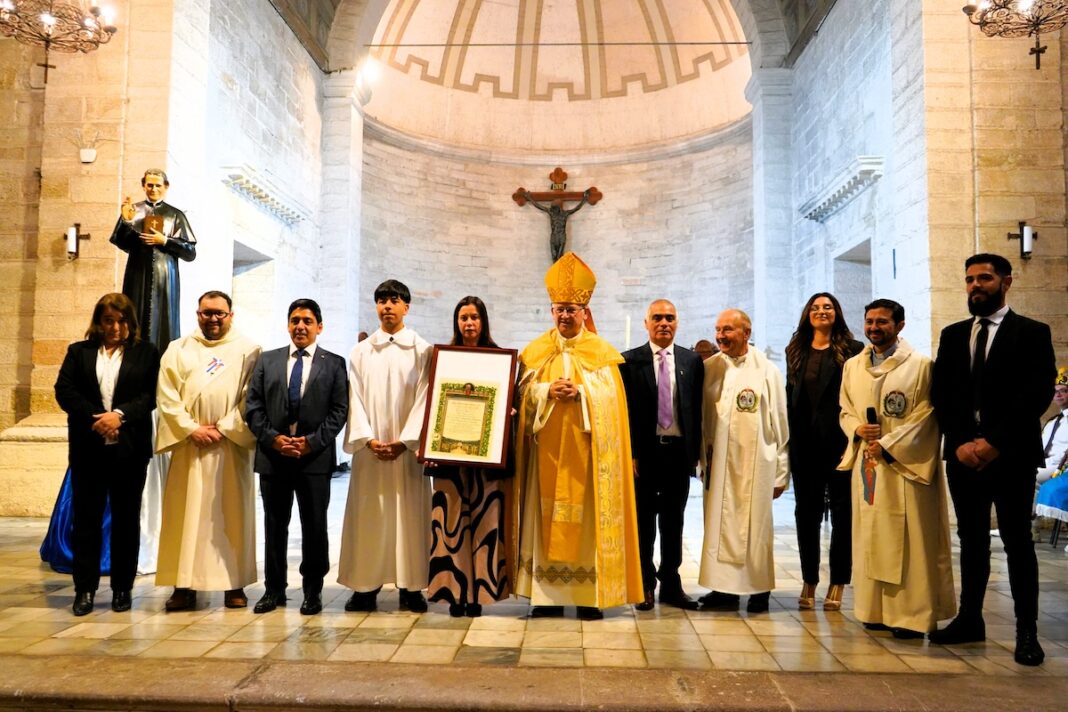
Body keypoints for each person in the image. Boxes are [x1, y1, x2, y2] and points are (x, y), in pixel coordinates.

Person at [930, 253, 1055, 667]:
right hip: (963, 456)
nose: (975, 286)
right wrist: (963, 441)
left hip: (1011, 455)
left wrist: (994, 442)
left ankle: (1026, 632)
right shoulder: (953, 335)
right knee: (971, 540)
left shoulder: (1032, 333)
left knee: (1018, 543)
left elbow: (1035, 395)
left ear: (1006, 281)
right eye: (969, 279)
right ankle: (969, 620)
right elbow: (942, 396)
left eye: (984, 278)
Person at [513, 253, 643, 620]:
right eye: (558, 309)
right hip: (546, 457)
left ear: (585, 311)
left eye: (571, 308)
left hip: (587, 461)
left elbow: (613, 407)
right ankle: (546, 597)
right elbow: (521, 398)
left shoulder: (602, 355)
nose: (565, 315)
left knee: (585, 526)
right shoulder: (536, 352)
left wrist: (583, 394)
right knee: (544, 521)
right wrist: (544, 392)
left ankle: (587, 597)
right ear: (550, 311)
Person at [838, 299, 955, 638]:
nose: (874, 328)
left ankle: (910, 616)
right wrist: (858, 430)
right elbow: (845, 409)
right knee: (871, 537)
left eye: (882, 322)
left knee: (912, 542)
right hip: (869, 467)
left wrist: (889, 445)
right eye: (870, 321)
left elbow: (928, 416)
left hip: (907, 469)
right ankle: (873, 609)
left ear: (900, 325)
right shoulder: (853, 367)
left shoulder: (920, 366)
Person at [154, 291, 262, 611]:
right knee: (185, 517)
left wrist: (225, 427)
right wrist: (190, 428)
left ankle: (233, 584)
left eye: (219, 313)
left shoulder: (248, 351)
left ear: (231, 315)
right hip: (191, 446)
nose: (212, 319)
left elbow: (251, 398)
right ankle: (183, 585)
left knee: (229, 516)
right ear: (197, 314)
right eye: (206, 313)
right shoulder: (178, 349)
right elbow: (166, 395)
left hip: (230, 448)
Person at [54, 294, 160, 615]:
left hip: (130, 450)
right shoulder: (79, 352)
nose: (115, 327)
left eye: (122, 320)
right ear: (98, 322)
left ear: (131, 323)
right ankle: (84, 589)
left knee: (126, 521)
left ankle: (122, 589)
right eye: (109, 320)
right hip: (89, 449)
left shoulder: (146, 353)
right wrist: (99, 418)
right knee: (86, 520)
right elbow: (64, 390)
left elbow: (151, 394)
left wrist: (121, 416)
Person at [244, 299, 348, 616]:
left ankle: (312, 591)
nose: (300, 326)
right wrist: (274, 440)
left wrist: (311, 442)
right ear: (287, 325)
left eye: (306, 320)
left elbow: (339, 411)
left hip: (313, 460)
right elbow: (253, 406)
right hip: (274, 458)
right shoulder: (267, 360)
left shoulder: (334, 363)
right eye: (294, 320)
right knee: (275, 526)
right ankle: (273, 590)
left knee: (314, 526)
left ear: (319, 326)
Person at [338, 279, 433, 613]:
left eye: (394, 300)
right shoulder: (361, 351)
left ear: (407, 306)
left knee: (410, 516)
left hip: (406, 453)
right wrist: (368, 439)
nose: (387, 306)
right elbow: (354, 399)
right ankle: (365, 586)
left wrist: (407, 441)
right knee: (369, 515)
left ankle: (411, 587)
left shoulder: (422, 350)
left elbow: (425, 397)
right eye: (381, 301)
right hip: (372, 450)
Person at [426, 296, 514, 617]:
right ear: (456, 322)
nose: (469, 323)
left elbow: (511, 402)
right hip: (449, 457)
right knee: (450, 527)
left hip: (486, 461)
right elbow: (431, 401)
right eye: (463, 317)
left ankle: (478, 595)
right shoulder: (443, 359)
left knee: (484, 525)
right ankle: (454, 593)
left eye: (474, 317)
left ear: (483, 321)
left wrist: (508, 410)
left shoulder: (499, 359)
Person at [698, 309, 789, 613]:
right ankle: (723, 590)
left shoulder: (767, 371)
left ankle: (759, 589)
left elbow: (781, 424)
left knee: (755, 528)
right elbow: (702, 419)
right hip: (719, 463)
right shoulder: (710, 368)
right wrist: (700, 459)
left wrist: (781, 472)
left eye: (728, 330)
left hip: (756, 465)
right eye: (718, 329)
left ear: (746, 333)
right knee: (718, 525)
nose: (720, 336)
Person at [620, 299, 703, 611]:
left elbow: (696, 410)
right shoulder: (629, 361)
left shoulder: (691, 361)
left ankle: (671, 582)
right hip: (644, 456)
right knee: (644, 522)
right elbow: (625, 413)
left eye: (669, 318)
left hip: (678, 455)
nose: (664, 323)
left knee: (674, 521)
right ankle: (644, 583)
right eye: (657, 318)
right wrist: (630, 454)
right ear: (646, 323)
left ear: (677, 323)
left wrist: (695, 454)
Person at [783, 293, 863, 611]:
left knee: (843, 515)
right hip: (805, 445)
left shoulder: (853, 351)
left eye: (827, 307)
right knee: (806, 515)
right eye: (815, 308)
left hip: (840, 444)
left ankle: (838, 581)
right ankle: (809, 579)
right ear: (808, 315)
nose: (821, 312)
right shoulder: (796, 351)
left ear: (836, 313)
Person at [109, 169, 197, 352]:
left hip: (165, 277)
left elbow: (190, 252)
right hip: (137, 273)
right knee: (134, 314)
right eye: (150, 185)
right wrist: (126, 222)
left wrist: (164, 241)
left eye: (158, 185)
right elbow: (121, 242)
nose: (154, 189)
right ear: (143, 185)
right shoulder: (134, 211)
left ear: (166, 187)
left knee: (164, 321)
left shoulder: (175, 215)